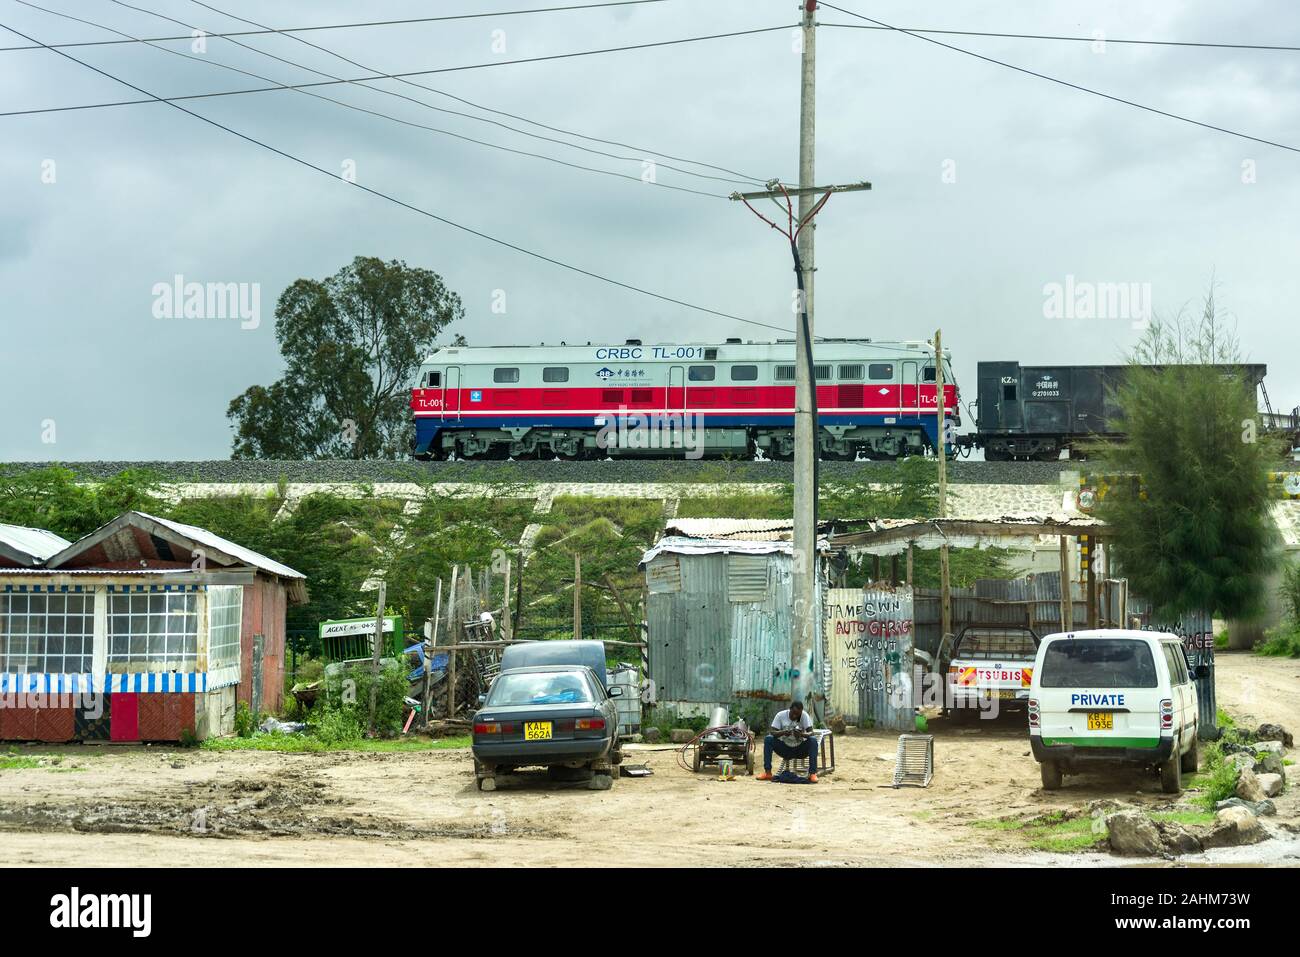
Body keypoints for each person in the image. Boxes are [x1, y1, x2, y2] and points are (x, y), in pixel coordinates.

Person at [756, 700, 818, 782]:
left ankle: (812, 774)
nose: (795, 716)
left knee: (813, 740)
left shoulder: (804, 715)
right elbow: (772, 732)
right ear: (790, 709)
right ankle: (768, 773)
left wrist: (802, 735)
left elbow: (811, 733)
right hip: (785, 749)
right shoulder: (780, 715)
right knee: (768, 739)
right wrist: (783, 732)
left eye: (798, 714)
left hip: (800, 749)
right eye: (793, 713)